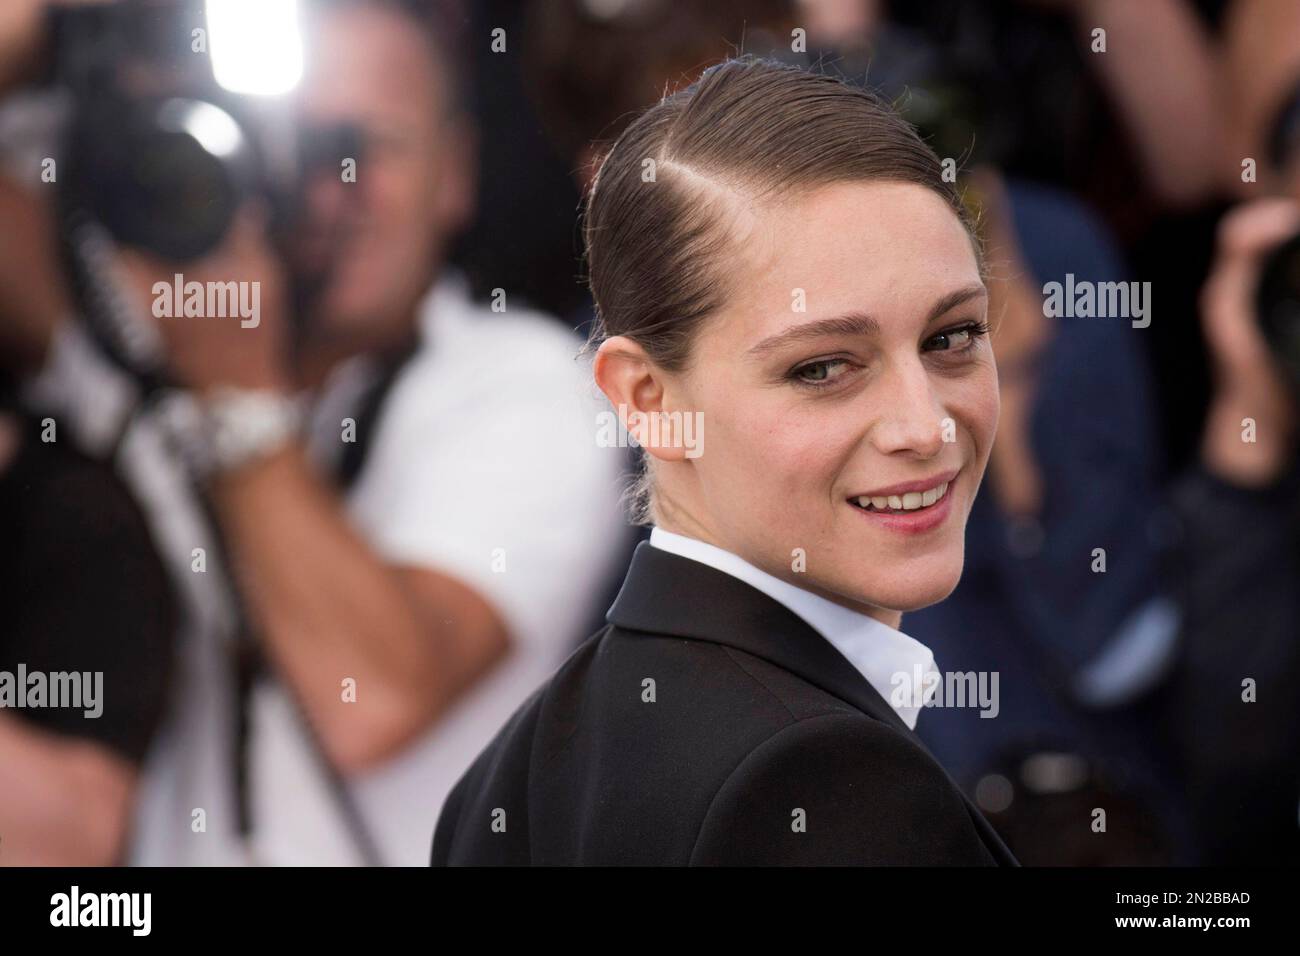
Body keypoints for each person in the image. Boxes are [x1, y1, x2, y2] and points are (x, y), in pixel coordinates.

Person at [0, 0, 626, 865]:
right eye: (298, 143)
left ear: (456, 173)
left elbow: (368, 700)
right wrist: (40, 35)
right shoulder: (164, 348)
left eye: (370, 147)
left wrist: (236, 390)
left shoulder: (521, 383)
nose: (335, 190)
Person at [432, 57, 1018, 866]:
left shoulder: (509, 776)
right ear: (646, 399)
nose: (924, 426)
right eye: (822, 367)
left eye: (951, 337)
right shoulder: (827, 785)